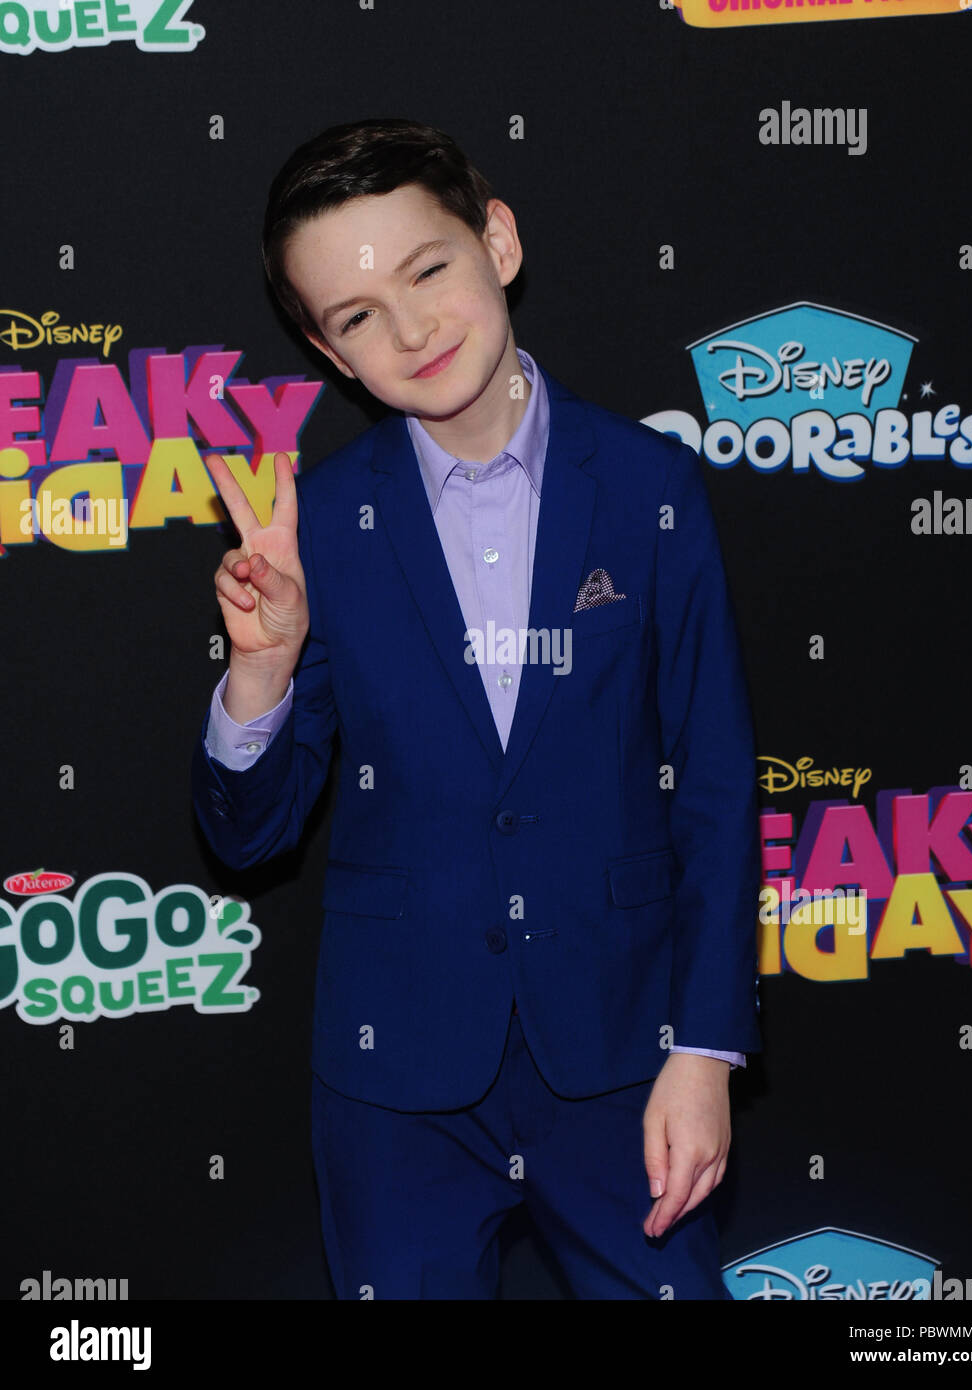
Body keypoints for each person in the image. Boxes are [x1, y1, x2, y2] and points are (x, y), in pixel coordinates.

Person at [191, 117, 762, 1300]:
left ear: (496, 241)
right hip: (395, 1076)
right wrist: (263, 669)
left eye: (427, 269)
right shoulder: (320, 529)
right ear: (327, 351)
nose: (410, 330)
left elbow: (711, 781)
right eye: (357, 318)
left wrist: (704, 1051)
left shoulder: (650, 487)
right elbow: (248, 833)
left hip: (621, 1057)